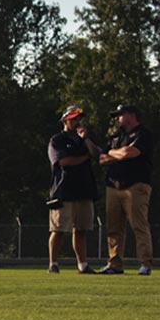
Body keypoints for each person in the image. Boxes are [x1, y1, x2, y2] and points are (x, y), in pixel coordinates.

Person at [97, 104, 156, 275]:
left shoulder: (143, 134)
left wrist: (114, 153)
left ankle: (145, 264)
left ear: (131, 115)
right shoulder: (116, 136)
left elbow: (130, 153)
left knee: (139, 225)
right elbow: (102, 158)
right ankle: (114, 264)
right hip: (113, 185)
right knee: (114, 228)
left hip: (136, 185)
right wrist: (118, 152)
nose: (117, 119)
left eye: (120, 115)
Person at [46, 106, 98, 274]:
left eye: (78, 119)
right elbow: (63, 161)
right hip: (64, 191)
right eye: (73, 118)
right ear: (65, 120)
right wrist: (84, 158)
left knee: (81, 230)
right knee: (59, 229)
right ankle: (53, 263)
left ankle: (82, 265)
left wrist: (85, 139)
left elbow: (96, 154)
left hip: (84, 190)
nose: (77, 122)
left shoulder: (82, 139)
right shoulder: (57, 140)